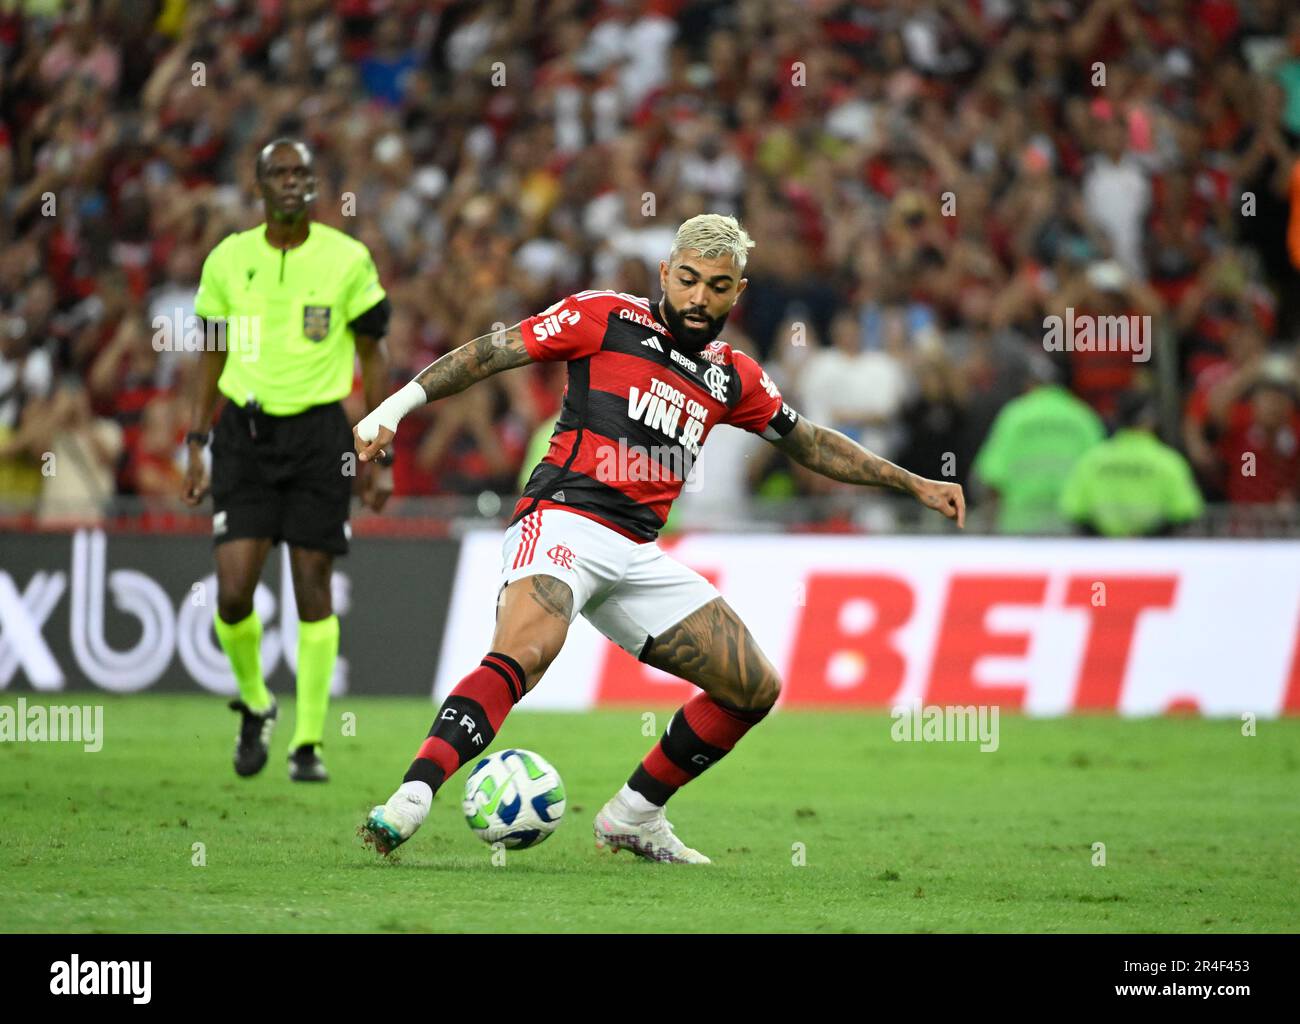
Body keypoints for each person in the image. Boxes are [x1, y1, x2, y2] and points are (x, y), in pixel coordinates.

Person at [353, 214, 965, 863]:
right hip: (563, 518)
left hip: (635, 551)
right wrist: (394, 407)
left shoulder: (734, 377)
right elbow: (491, 351)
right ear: (667, 274)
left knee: (753, 686)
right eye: (690, 280)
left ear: (738, 292)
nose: (700, 297)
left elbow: (810, 443)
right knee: (527, 651)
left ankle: (633, 816)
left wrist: (913, 483)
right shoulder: (605, 318)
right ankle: (413, 796)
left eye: (718, 286)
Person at [182, 139, 393, 782]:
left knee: (312, 588)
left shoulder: (347, 258)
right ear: (260, 186)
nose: (292, 182)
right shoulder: (228, 259)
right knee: (233, 593)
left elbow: (373, 354)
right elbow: (210, 354)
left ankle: (307, 744)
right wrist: (196, 441)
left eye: (302, 171)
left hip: (320, 439)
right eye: (279, 172)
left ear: (315, 185)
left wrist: (375, 446)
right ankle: (255, 702)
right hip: (243, 436)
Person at [972, 356, 1106, 534]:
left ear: (1030, 383)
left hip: (1018, 525)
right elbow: (1102, 474)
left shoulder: (1015, 416)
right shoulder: (1083, 417)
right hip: (1070, 526)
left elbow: (989, 477)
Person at [1059, 391, 1204, 537]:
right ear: (1151, 421)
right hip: (1155, 554)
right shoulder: (1168, 462)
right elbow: (1186, 513)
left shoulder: (1091, 461)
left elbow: (1074, 511)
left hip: (1102, 554)